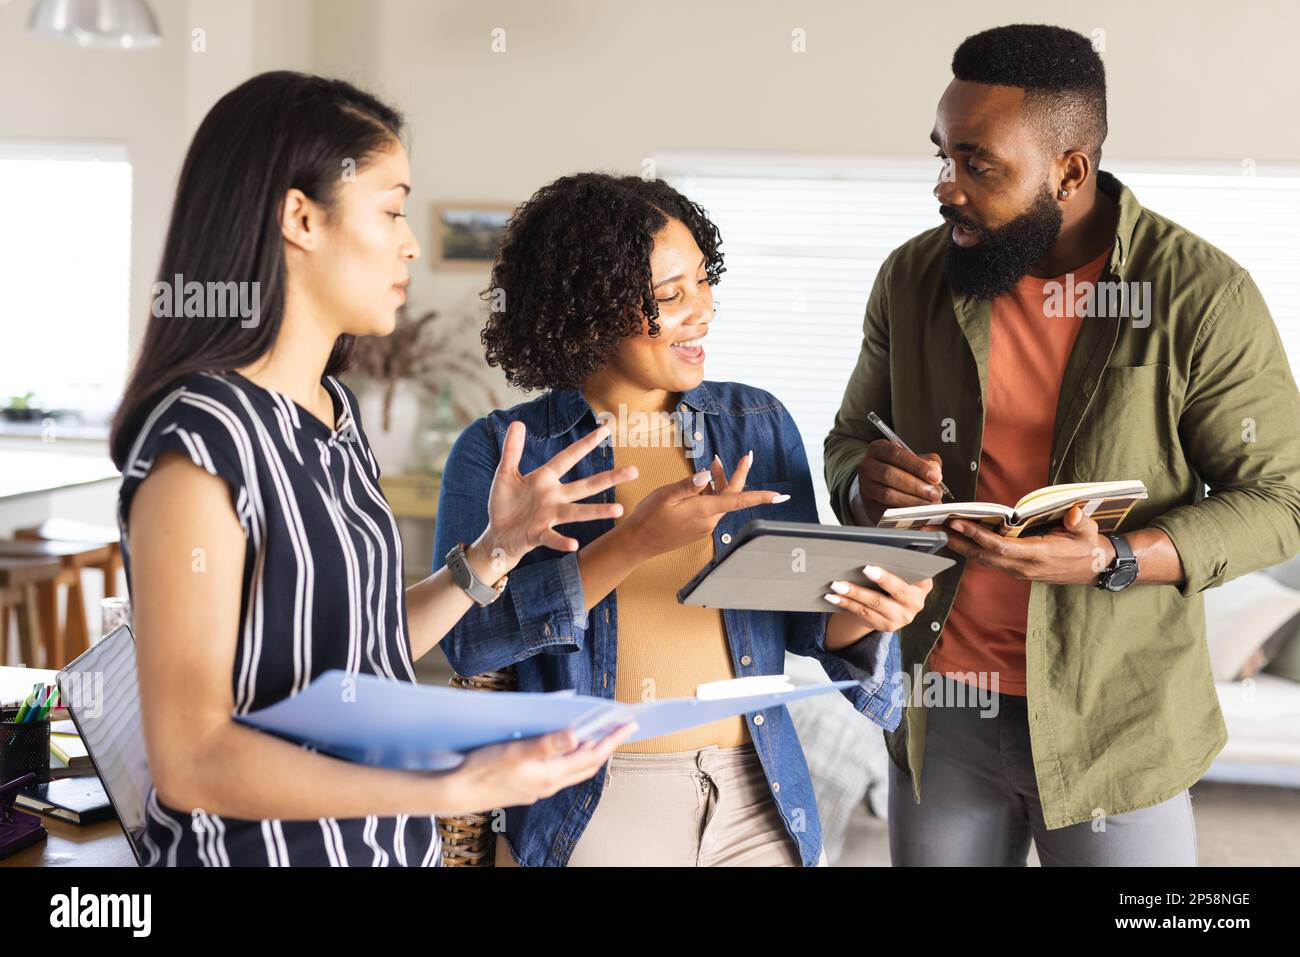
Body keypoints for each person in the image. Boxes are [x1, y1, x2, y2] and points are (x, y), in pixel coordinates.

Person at [109, 72, 637, 867]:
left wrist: (495, 550)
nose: (410, 243)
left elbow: (365, 647)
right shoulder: (203, 441)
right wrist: (452, 785)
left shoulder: (333, 411)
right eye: (391, 210)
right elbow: (192, 759)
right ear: (300, 218)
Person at [825, 24, 1300, 866]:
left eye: (979, 165)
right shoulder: (911, 278)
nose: (946, 187)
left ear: (1069, 171)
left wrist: (1112, 557)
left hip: (1117, 722)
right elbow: (849, 441)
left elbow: (1281, 499)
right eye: (943, 156)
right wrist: (868, 482)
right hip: (944, 708)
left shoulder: (1200, 296)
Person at [435, 172, 933, 867]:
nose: (702, 311)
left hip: (756, 795)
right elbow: (469, 644)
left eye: (703, 281)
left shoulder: (756, 422)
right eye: (670, 296)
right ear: (589, 311)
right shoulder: (503, 450)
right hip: (592, 802)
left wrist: (871, 609)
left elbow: (806, 627)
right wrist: (634, 543)